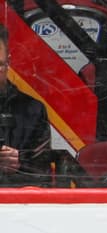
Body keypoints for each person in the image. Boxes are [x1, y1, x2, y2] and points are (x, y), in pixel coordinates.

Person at [0, 24, 52, 186]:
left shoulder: (33, 110)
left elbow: (43, 173)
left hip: (16, 197)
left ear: (8, 63)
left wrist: (20, 162)